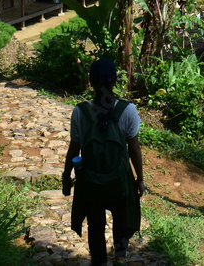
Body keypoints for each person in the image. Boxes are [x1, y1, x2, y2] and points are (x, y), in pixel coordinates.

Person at [62, 58, 144, 266]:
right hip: (119, 180)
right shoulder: (128, 111)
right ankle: (120, 255)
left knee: (95, 222)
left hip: (91, 181)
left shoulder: (80, 112)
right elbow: (134, 149)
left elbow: (74, 149)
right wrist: (140, 179)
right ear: (115, 82)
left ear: (91, 83)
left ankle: (99, 261)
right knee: (122, 213)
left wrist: (66, 176)